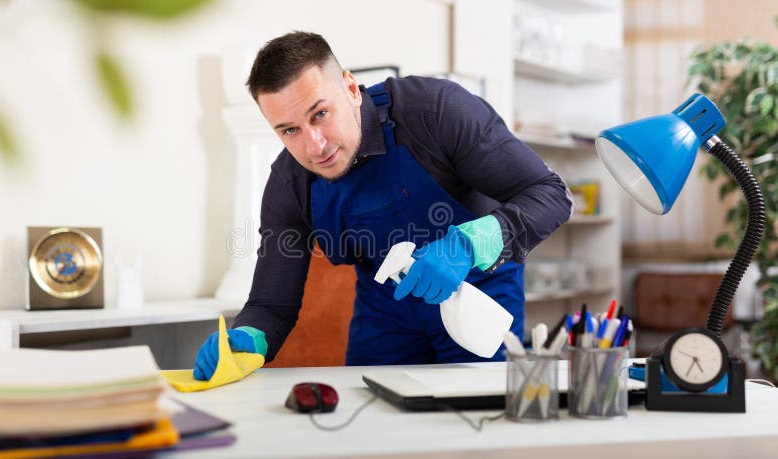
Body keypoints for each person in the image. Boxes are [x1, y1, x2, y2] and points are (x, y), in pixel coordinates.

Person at [193, 31, 572, 379]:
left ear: (351, 88)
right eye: (289, 130)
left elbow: (551, 193)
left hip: (478, 292)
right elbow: (271, 305)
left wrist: (467, 244)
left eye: (320, 114)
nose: (314, 146)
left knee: (475, 428)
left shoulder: (436, 112)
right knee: (372, 430)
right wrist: (247, 338)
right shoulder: (290, 183)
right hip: (386, 310)